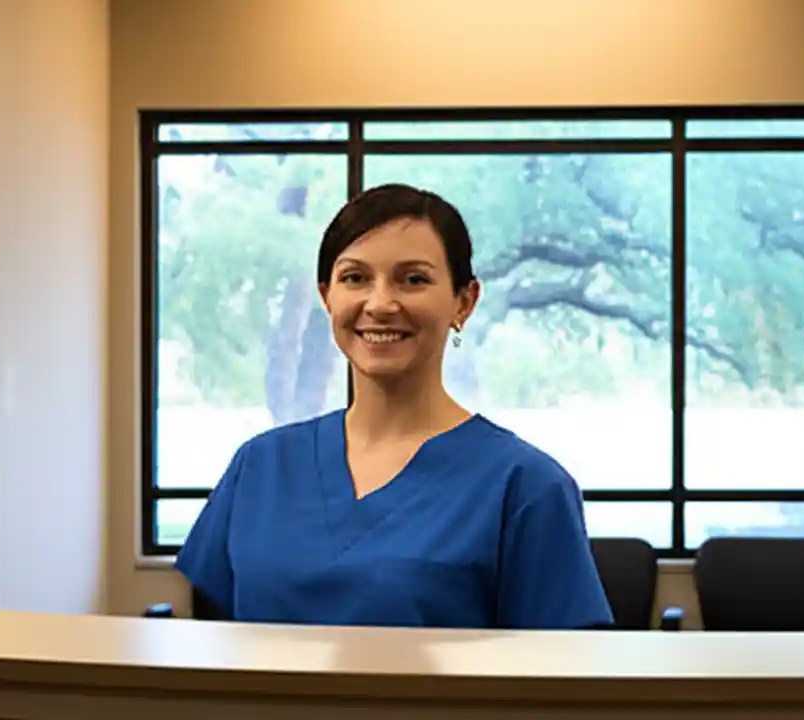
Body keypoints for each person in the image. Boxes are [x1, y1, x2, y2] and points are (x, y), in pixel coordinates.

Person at [175, 183, 613, 629]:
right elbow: (209, 641)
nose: (380, 304)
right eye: (355, 278)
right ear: (327, 297)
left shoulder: (526, 488)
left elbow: (560, 680)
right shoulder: (260, 466)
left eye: (413, 279)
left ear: (464, 301)